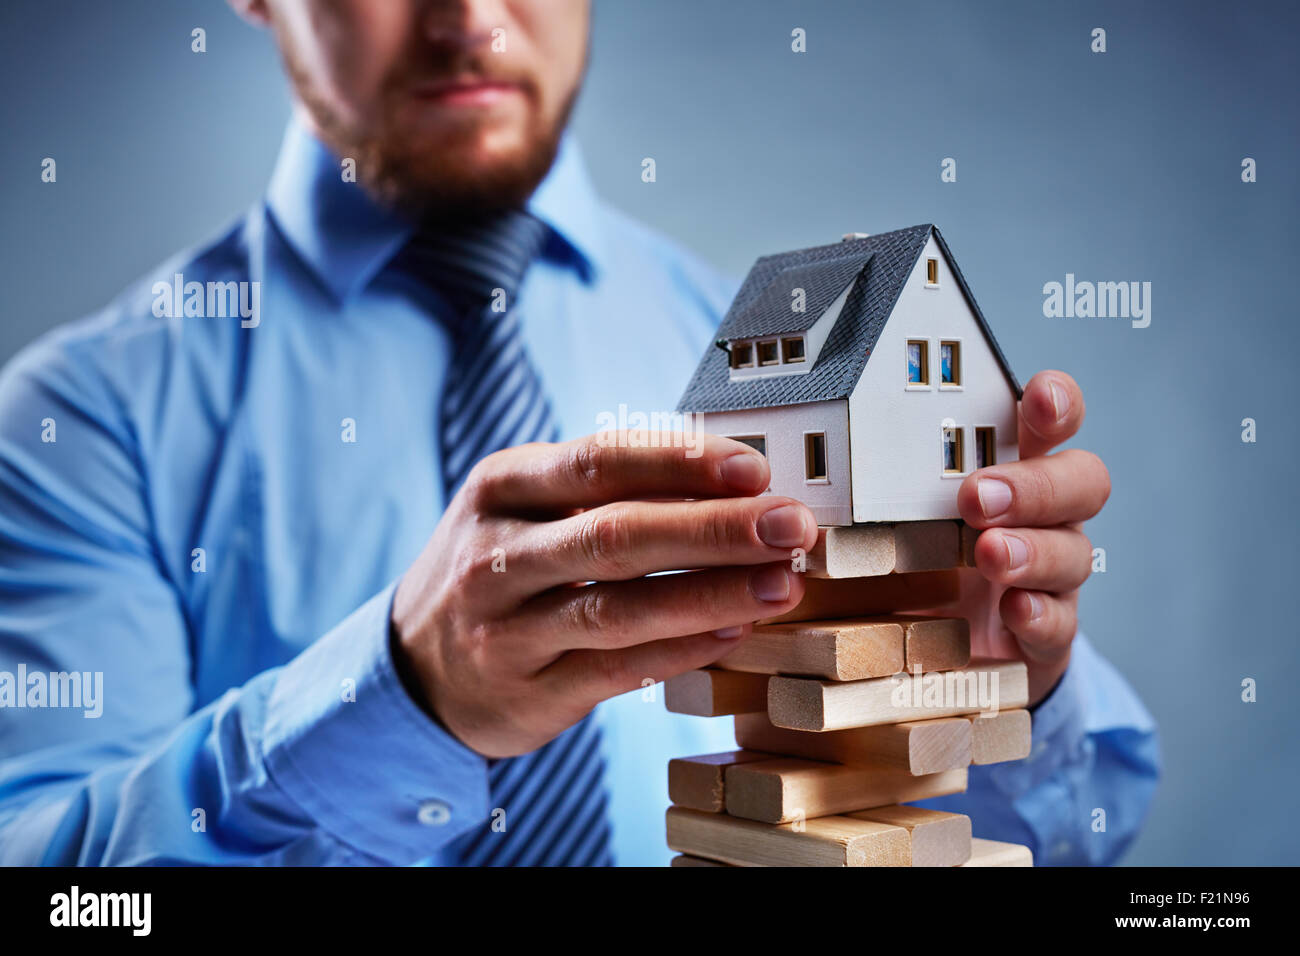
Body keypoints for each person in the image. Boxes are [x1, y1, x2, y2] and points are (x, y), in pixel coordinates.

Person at [0, 0, 1157, 866]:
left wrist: (978, 693)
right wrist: (396, 703)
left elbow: (1076, 837)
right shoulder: (78, 423)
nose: (467, 20)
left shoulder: (763, 351)